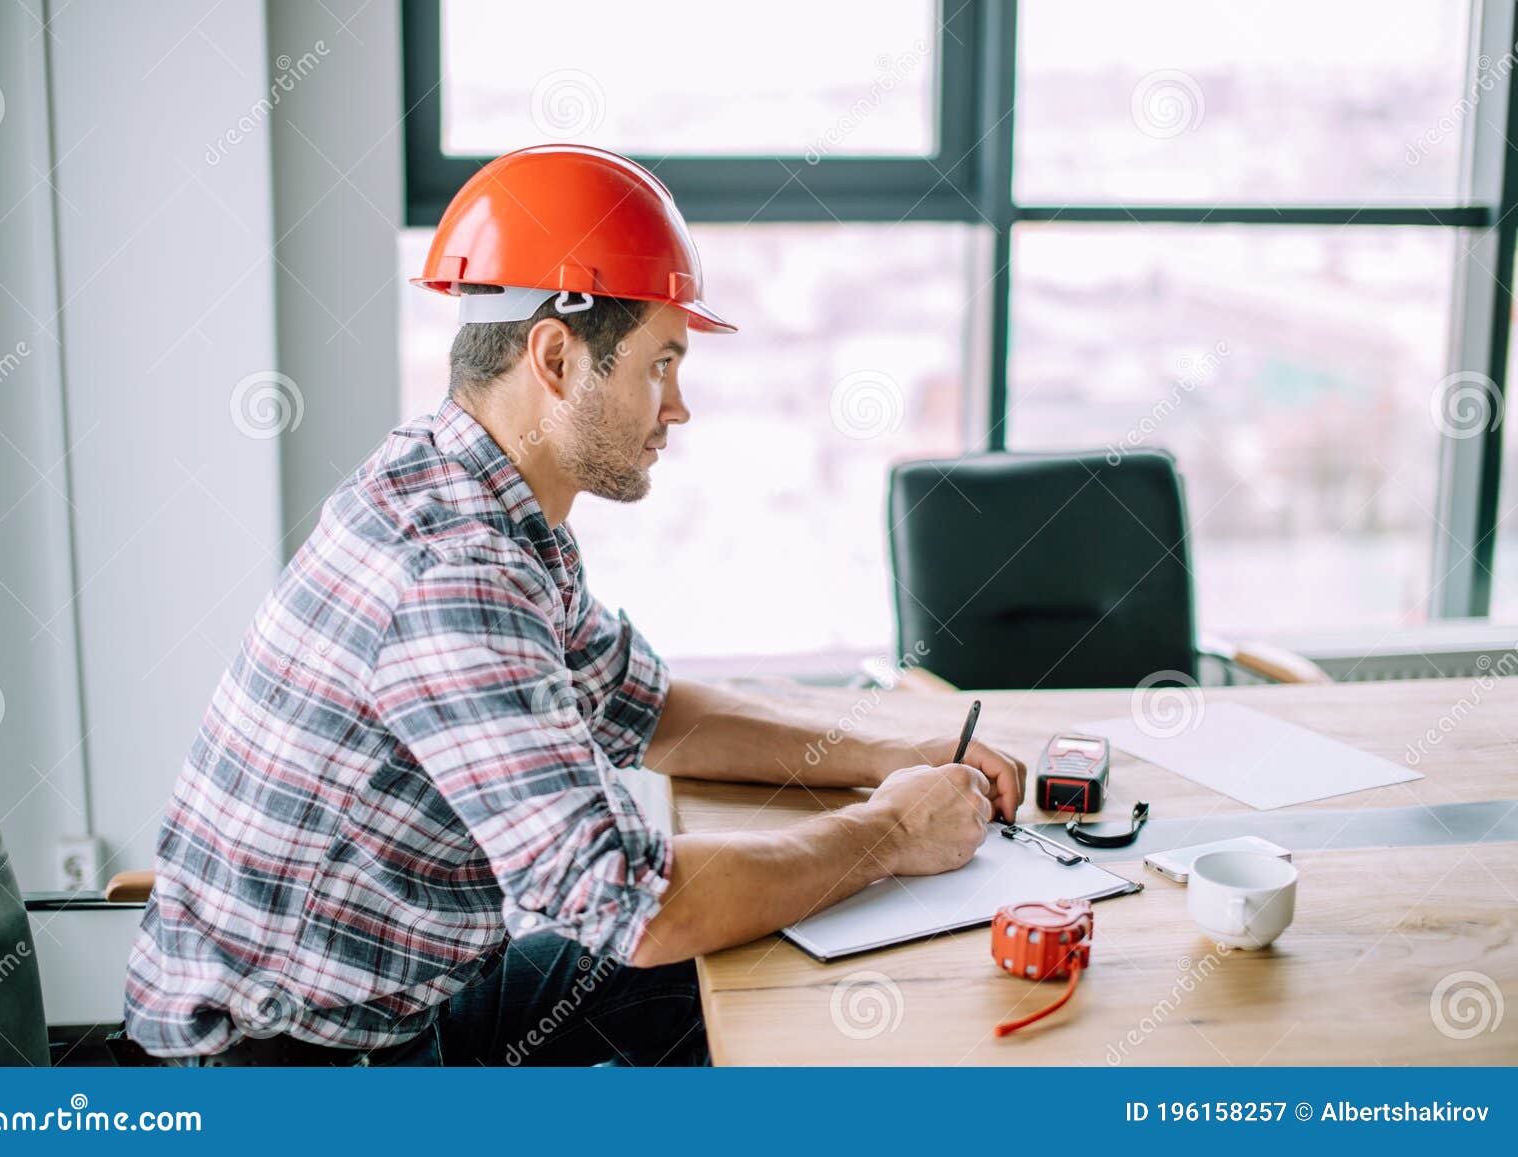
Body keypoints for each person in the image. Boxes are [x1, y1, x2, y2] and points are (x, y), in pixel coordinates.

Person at [122, 145, 1024, 1067]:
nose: (678, 407)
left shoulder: (475, 497)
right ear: (556, 356)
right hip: (292, 1070)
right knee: (747, 972)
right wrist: (889, 832)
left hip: (401, 1002)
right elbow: (635, 906)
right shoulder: (456, 569)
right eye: (661, 364)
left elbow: (654, 712)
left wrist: (896, 752)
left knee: (759, 961)